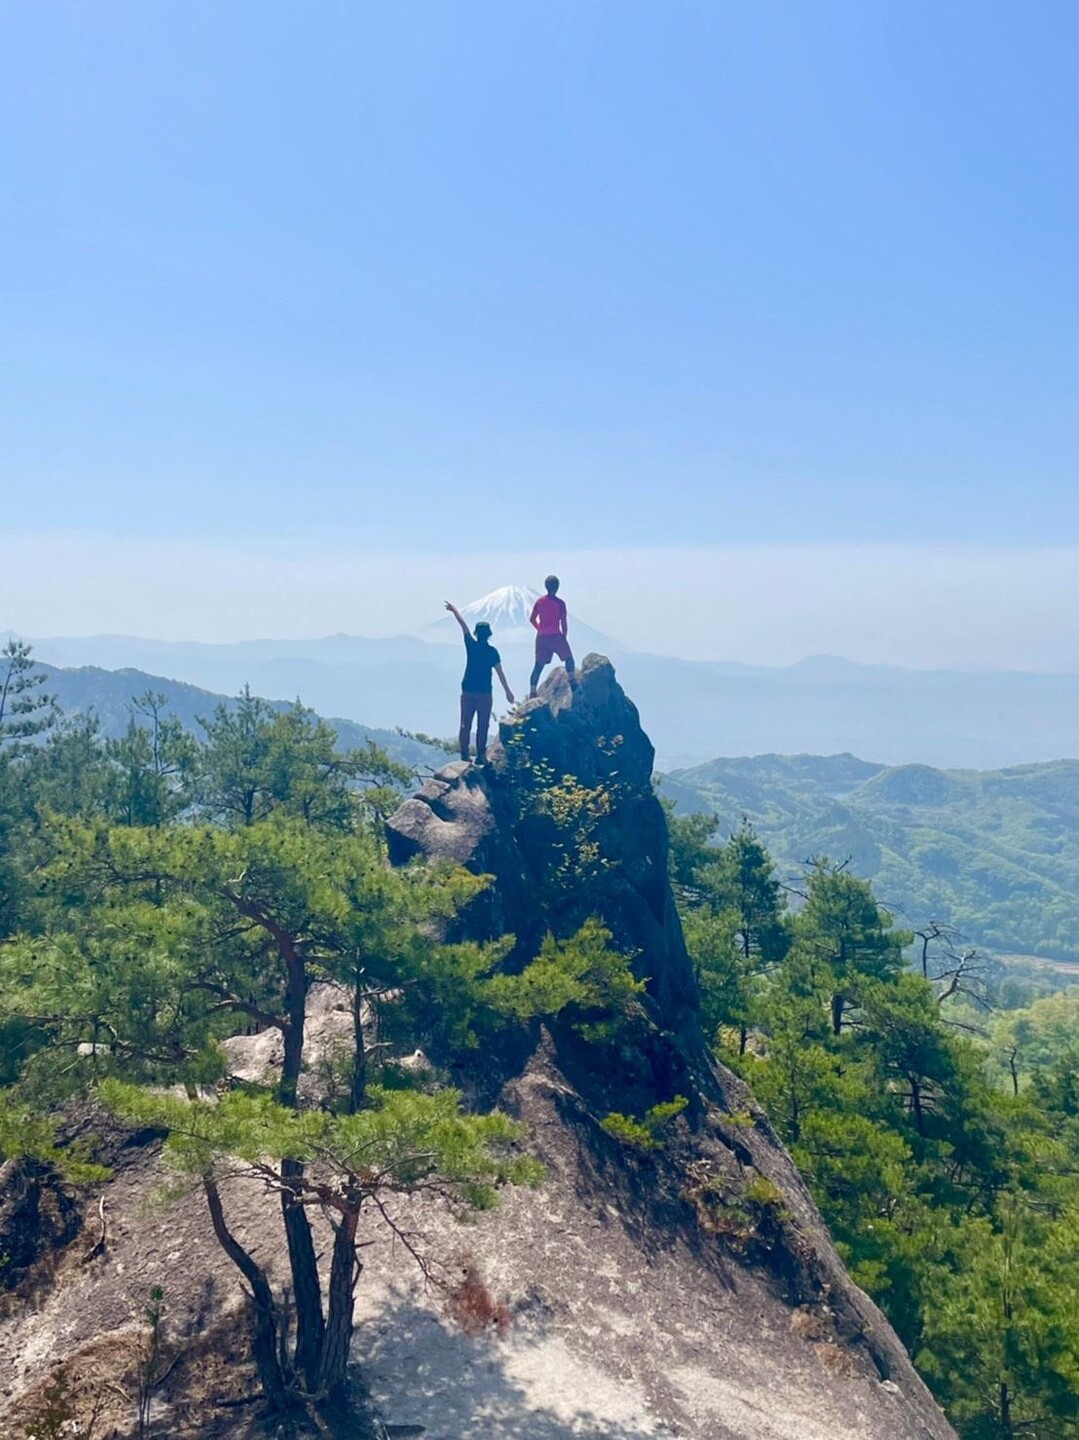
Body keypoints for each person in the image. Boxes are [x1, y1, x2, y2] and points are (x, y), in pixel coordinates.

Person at [445, 601, 514, 763]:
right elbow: (500, 673)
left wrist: (454, 610)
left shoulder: (471, 645)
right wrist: (507, 691)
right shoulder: (492, 652)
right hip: (484, 692)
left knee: (465, 723)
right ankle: (481, 756)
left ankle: (464, 753)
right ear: (489, 635)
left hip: (468, 690)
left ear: (477, 634)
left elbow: (464, 627)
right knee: (483, 725)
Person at [529, 574, 576, 696]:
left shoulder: (540, 602)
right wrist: (564, 637)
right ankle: (572, 682)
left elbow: (532, 619)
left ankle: (533, 692)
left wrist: (540, 629)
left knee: (538, 665)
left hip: (542, 638)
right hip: (555, 635)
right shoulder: (560, 603)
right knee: (569, 659)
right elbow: (563, 621)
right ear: (557, 587)